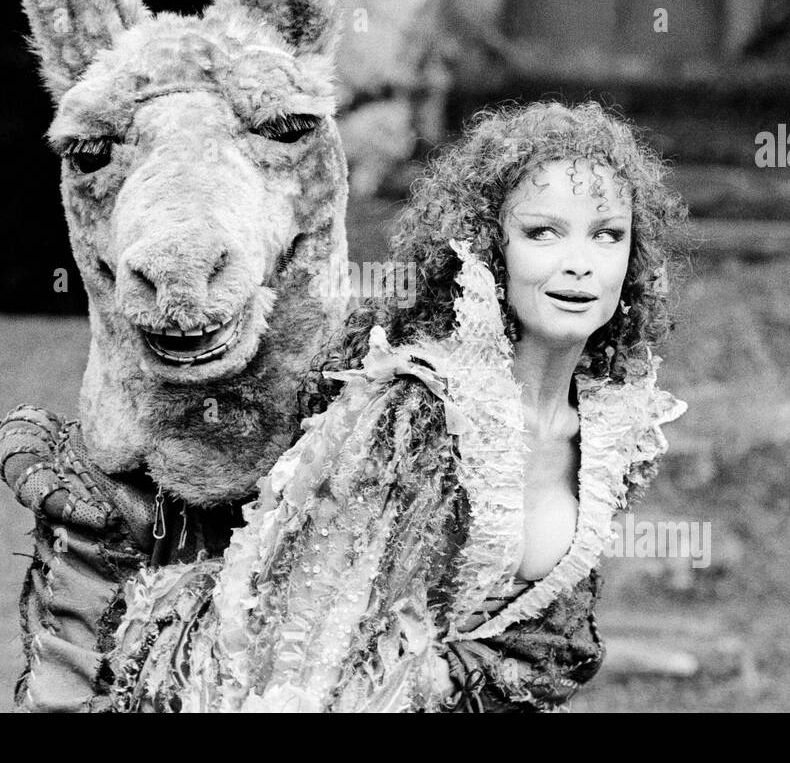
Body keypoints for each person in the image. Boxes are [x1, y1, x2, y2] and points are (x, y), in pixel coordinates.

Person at [107, 100, 690, 712]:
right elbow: (301, 655)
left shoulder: (611, 427)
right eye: (542, 231)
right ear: (489, 249)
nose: (580, 261)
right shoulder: (418, 413)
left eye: (607, 234)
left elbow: (554, 646)